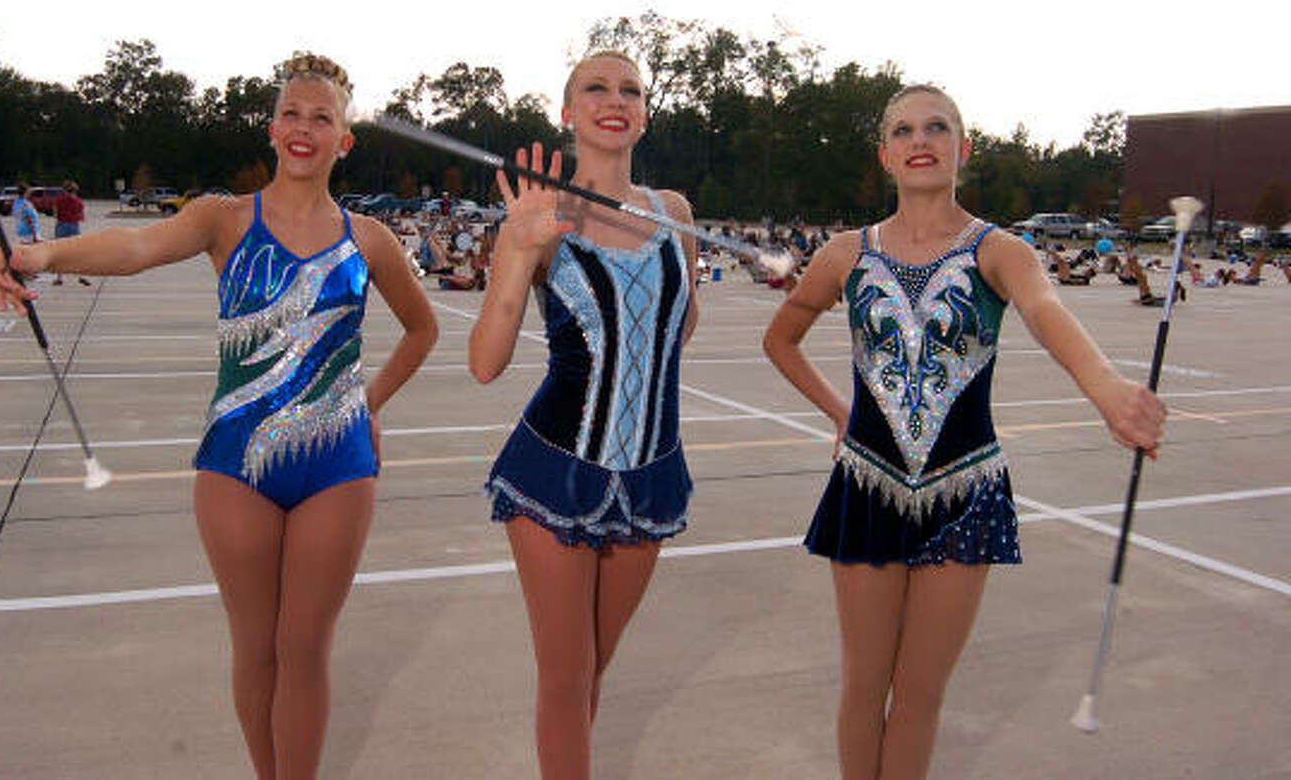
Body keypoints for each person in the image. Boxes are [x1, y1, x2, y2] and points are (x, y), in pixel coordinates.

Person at [0, 52, 438, 780]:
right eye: (290, 113)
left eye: (320, 117)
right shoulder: (223, 219)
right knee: (256, 648)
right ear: (272, 129)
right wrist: (40, 255)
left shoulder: (370, 239)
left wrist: (369, 402)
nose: (303, 127)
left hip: (338, 463)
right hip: (236, 463)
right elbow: (136, 246)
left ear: (344, 140)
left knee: (305, 649)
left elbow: (422, 329)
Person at [762, 84, 1165, 780]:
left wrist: (1106, 387)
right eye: (904, 131)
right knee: (865, 685)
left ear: (963, 148)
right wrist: (840, 413)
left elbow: (1045, 310)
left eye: (937, 127)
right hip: (867, 488)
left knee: (920, 695)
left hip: (964, 492)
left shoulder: (1000, 250)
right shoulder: (845, 254)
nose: (920, 140)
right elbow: (781, 339)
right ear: (885, 156)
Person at [468, 50, 697, 780]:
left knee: (593, 669)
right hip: (555, 470)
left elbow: (682, 326)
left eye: (630, 89)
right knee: (565, 679)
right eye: (595, 88)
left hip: (652, 472)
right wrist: (517, 249)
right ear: (568, 113)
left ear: (645, 114)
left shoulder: (675, 213)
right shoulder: (540, 215)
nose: (615, 99)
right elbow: (484, 362)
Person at [51, 180, 92, 286]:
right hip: (74, 227)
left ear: (64, 190)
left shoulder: (58, 200)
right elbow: (82, 217)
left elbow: (55, 215)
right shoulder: (79, 202)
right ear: (75, 190)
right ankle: (81, 276)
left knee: (60, 253)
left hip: (61, 226)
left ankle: (59, 278)